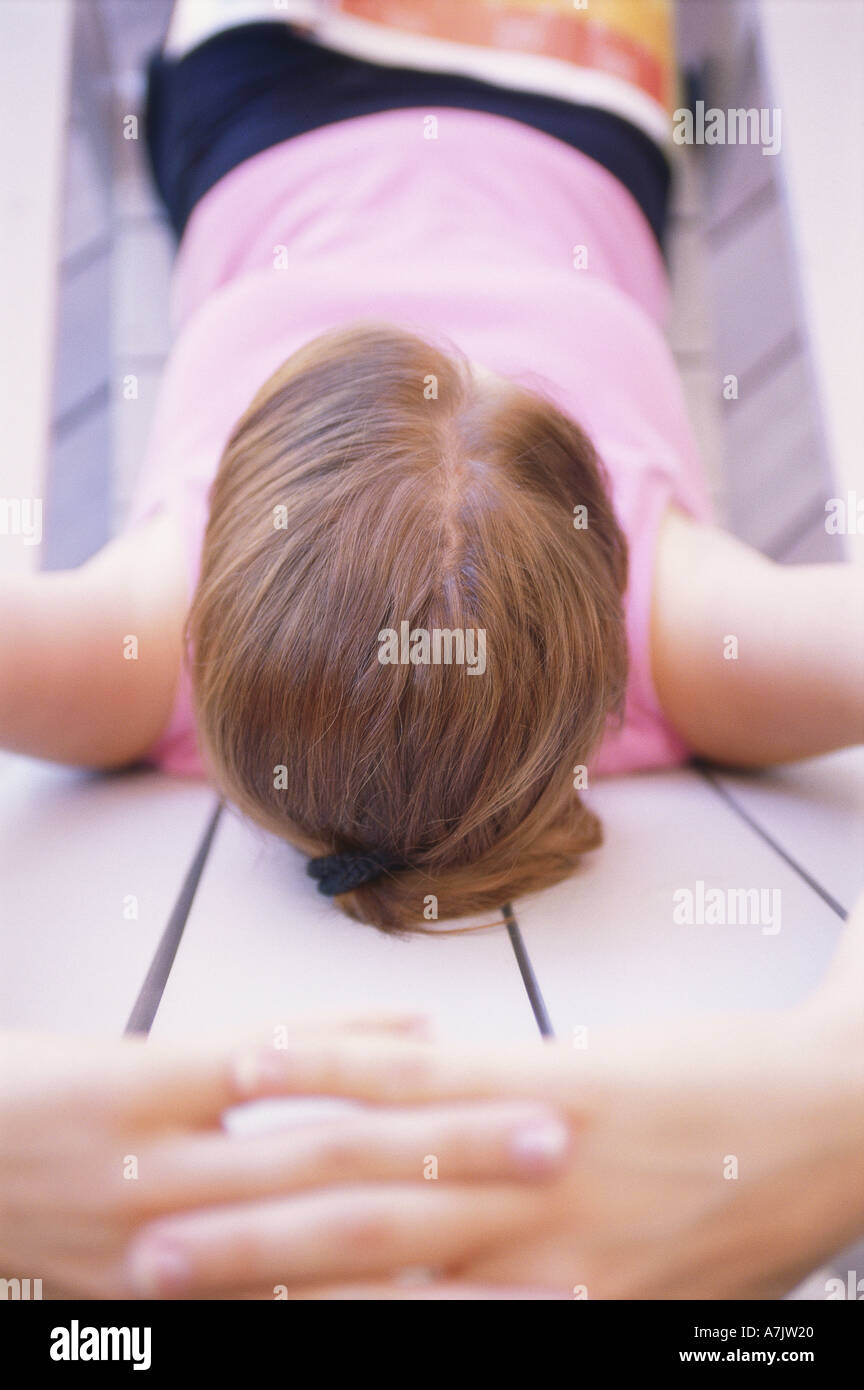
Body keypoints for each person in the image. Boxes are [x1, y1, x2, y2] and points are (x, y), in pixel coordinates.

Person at [1, 1, 860, 933]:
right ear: (600, 555)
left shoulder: (158, 640)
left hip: (399, 96)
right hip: (510, 97)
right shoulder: (679, 637)